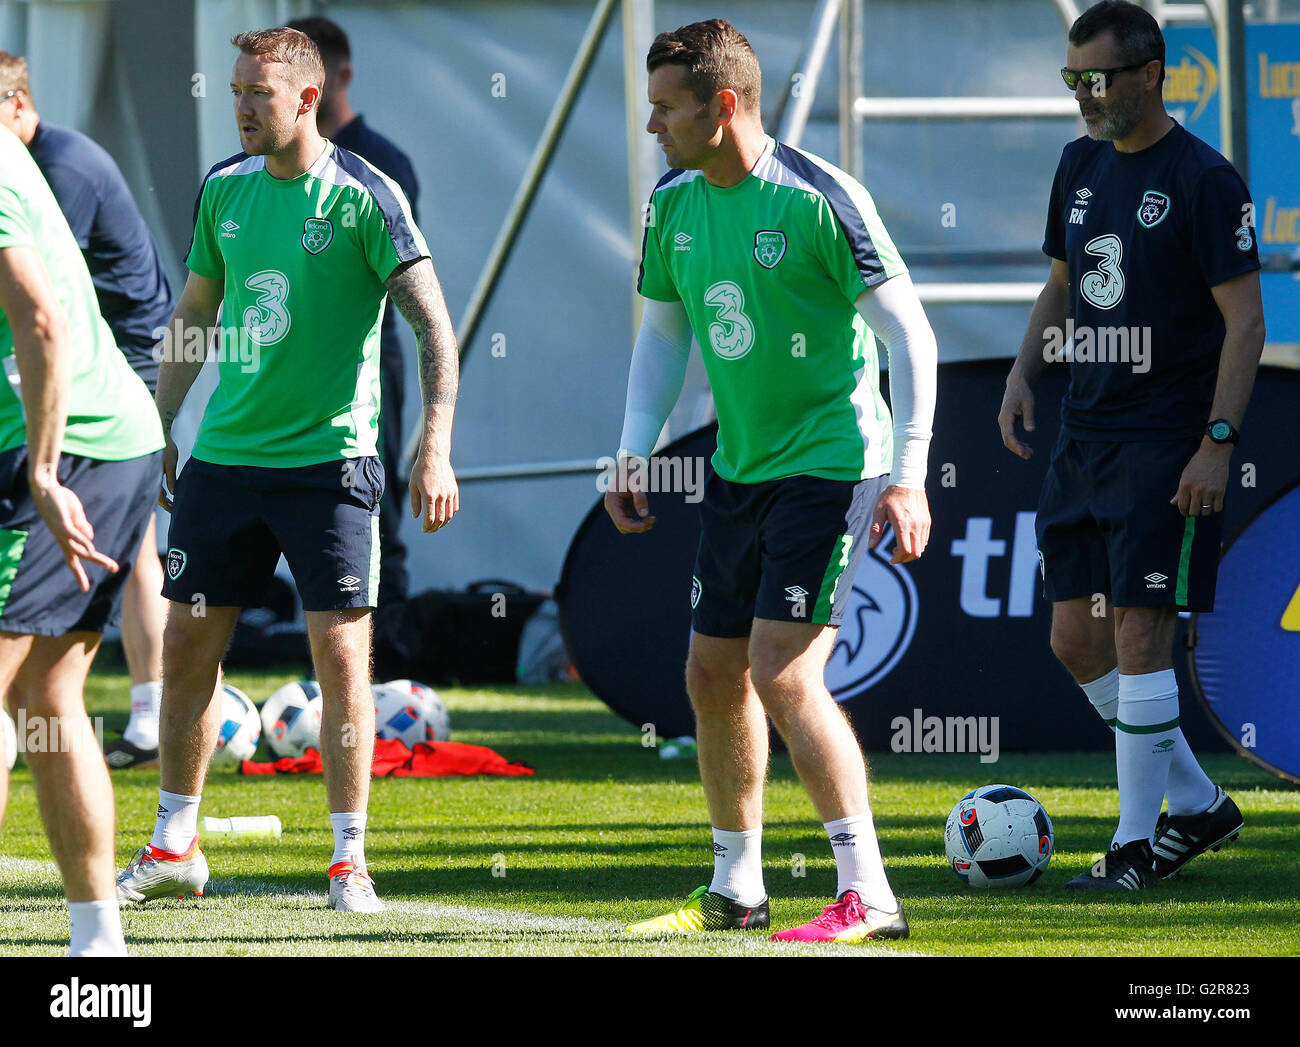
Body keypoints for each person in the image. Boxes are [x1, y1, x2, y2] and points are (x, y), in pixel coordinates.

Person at [115, 27, 460, 913]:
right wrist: (158, 422)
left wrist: (434, 446)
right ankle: (174, 844)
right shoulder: (224, 190)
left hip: (331, 468)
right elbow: (195, 308)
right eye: (235, 90)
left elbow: (433, 327)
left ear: (308, 99)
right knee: (189, 645)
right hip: (225, 462)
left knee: (343, 663)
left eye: (257, 94)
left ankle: (349, 860)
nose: (239, 107)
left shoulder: (365, 196)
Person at [609, 19, 936, 943]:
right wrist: (635, 447)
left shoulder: (820, 200)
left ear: (724, 105)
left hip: (832, 462)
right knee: (711, 673)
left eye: (666, 109)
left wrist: (909, 478)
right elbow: (665, 330)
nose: (652, 128)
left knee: (781, 672)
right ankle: (737, 890)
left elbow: (911, 338)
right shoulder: (672, 203)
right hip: (739, 465)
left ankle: (868, 893)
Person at [998, 0, 1262, 890]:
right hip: (1085, 432)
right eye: (1073, 79)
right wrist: (1023, 371)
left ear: (1152, 72)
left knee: (1143, 634)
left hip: (1166, 441)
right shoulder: (1077, 164)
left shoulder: (1205, 178)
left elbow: (1246, 324)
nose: (1084, 95)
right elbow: (1063, 285)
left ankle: (1133, 848)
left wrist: (1217, 443)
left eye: (1098, 77)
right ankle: (1198, 805)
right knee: (1078, 639)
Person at [0, 122, 164, 955]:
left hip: (70, 449)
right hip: (104, 439)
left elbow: (39, 320)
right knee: (44, 700)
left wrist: (41, 470)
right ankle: (98, 945)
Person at [0, 51, 175, 770]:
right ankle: (148, 716)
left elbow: (43, 312)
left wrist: (40, 463)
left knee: (136, 556)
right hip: (92, 374)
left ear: (17, 106)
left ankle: (154, 711)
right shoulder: (29, 162)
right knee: (54, 682)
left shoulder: (55, 164)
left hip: (111, 369)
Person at [286, 14, 417, 609]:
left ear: (342, 76)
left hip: (363, 367)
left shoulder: (379, 165)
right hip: (284, 368)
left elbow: (389, 282)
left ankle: (387, 655)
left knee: (369, 508)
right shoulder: (267, 168)